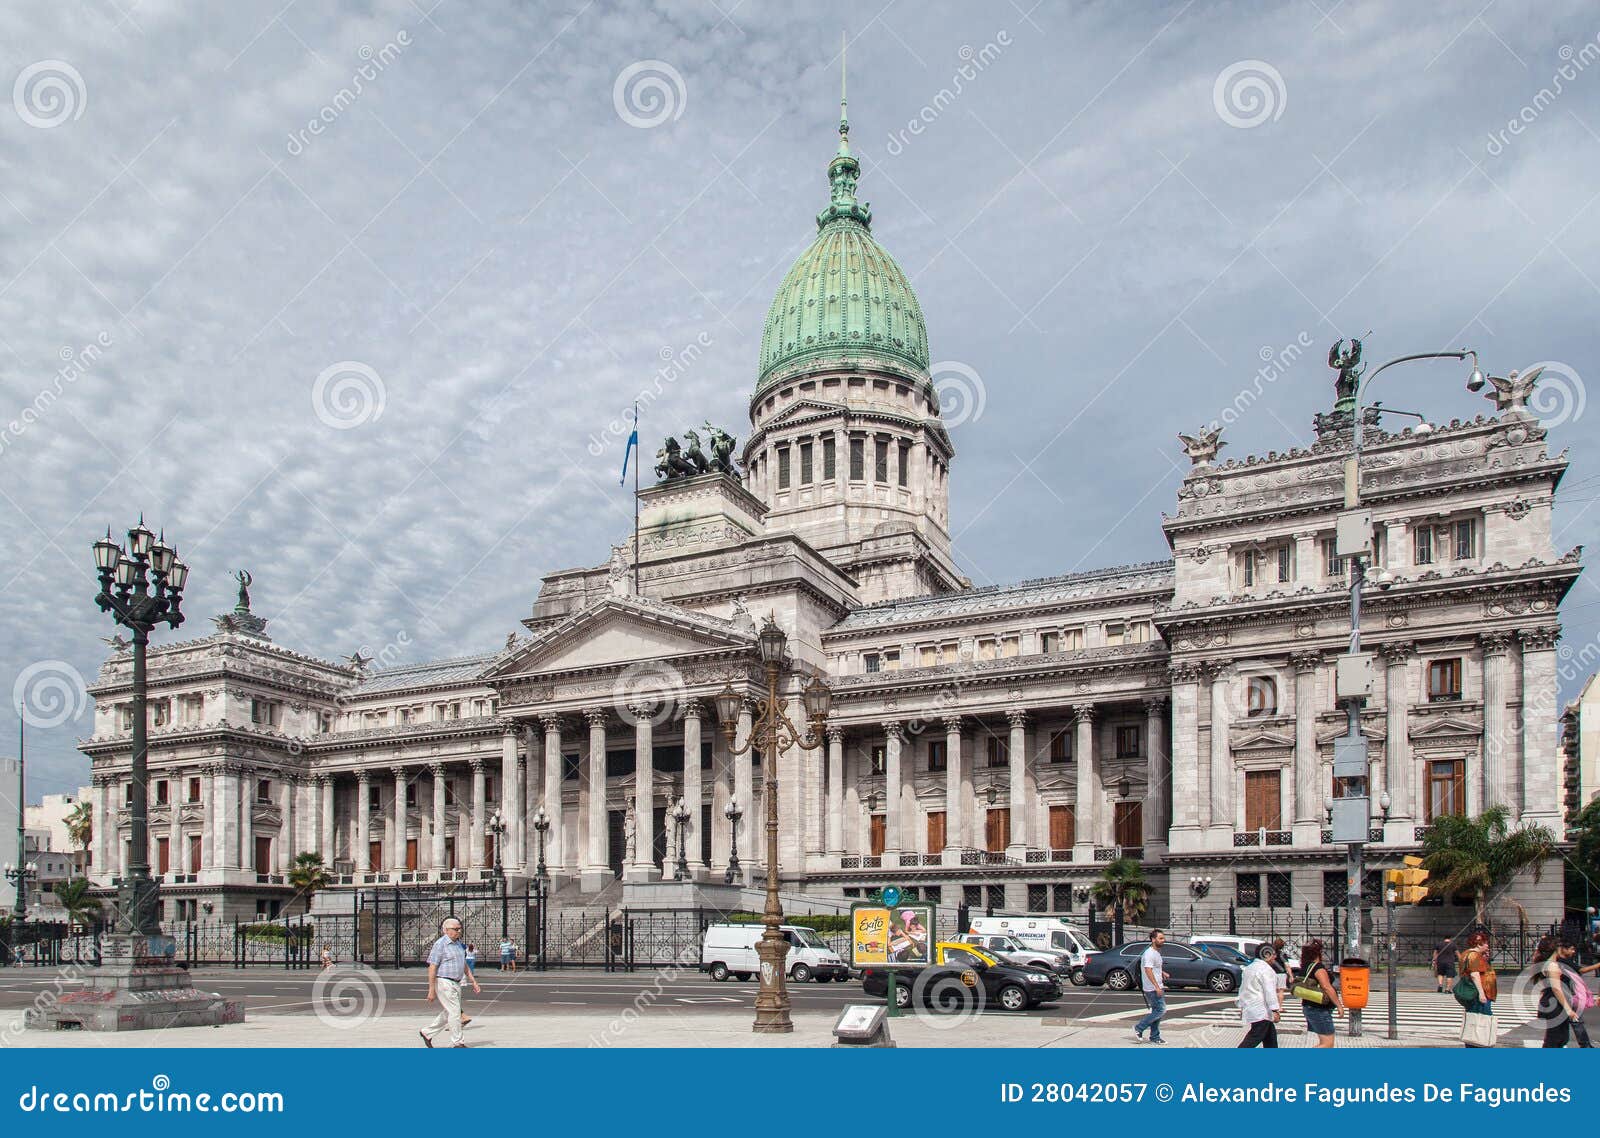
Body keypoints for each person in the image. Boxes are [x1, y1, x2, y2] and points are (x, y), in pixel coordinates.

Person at [420, 918, 480, 1048]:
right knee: (454, 1012)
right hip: (444, 981)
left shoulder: (459, 944)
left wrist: (473, 981)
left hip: (456, 983)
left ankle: (427, 1033)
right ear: (446, 930)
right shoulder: (440, 944)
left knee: (449, 1012)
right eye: (456, 929)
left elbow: (463, 964)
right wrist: (431, 990)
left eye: (460, 929)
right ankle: (458, 1042)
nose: (459, 931)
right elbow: (432, 967)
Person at [1532, 936, 1593, 1048]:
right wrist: (1568, 1009)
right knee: (1555, 1039)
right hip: (1555, 1005)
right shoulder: (1552, 966)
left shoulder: (1548, 964)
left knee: (1559, 1038)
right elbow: (1556, 989)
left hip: (1551, 1003)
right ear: (1556, 949)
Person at [1297, 939, 1344, 1048]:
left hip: (1310, 1007)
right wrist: (1339, 1005)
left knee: (1325, 1043)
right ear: (1318, 953)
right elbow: (1326, 987)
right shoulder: (1318, 968)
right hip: (1319, 1009)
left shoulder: (1305, 967)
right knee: (1327, 1044)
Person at [1237, 942, 1281, 1048]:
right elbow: (1269, 991)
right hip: (1261, 1010)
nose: (1275, 956)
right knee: (1254, 1037)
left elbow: (1243, 989)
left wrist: (1242, 1006)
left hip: (1253, 1007)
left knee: (1270, 1039)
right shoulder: (1266, 970)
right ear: (1266, 955)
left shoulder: (1250, 968)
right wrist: (1275, 1010)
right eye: (1273, 954)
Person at [1458, 929, 1496, 1048]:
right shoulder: (1474, 955)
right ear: (1478, 943)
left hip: (1474, 994)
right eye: (1485, 943)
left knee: (1474, 1020)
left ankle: (1474, 1043)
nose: (1487, 945)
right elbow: (1474, 975)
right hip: (1478, 994)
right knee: (1481, 1019)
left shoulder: (1467, 954)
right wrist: (1481, 994)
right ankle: (1479, 1044)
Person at [1133, 929, 1169, 1045]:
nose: (1163, 940)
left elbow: (1155, 967)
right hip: (1152, 988)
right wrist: (1157, 987)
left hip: (1157, 986)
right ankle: (1139, 1027)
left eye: (1163, 938)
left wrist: (1163, 973)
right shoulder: (1149, 953)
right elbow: (1148, 970)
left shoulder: (1156, 952)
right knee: (1161, 1010)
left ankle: (1154, 1036)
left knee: (1156, 1011)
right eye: (1160, 938)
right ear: (1153, 940)